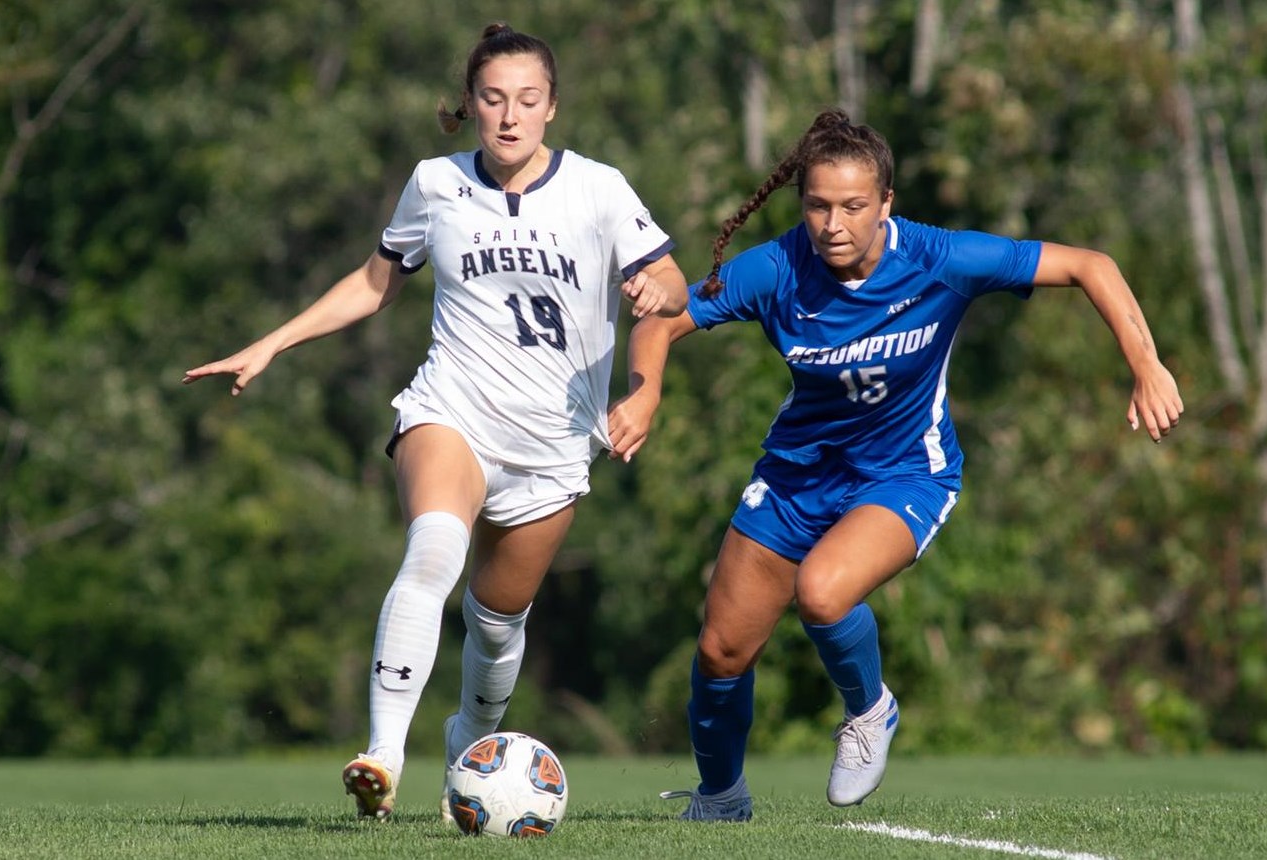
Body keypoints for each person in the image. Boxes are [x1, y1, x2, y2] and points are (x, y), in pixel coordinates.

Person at [607, 109, 1183, 819]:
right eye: (817, 205)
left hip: (904, 474)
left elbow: (1089, 265)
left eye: (853, 206)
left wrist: (1146, 365)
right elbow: (662, 319)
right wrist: (646, 392)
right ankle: (721, 799)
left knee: (822, 592)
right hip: (794, 481)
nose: (833, 224)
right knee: (722, 652)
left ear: (886, 203)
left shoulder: (942, 259)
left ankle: (868, 711)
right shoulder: (776, 268)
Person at [182, 22, 688, 821]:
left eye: (526, 99)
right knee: (432, 551)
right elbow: (373, 281)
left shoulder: (599, 188)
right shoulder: (435, 183)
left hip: (552, 447)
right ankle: (381, 756)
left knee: (495, 626)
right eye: (492, 99)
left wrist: (657, 322)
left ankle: (469, 738)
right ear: (470, 106)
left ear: (552, 106)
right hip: (449, 409)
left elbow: (668, 279)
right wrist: (271, 343)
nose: (509, 116)